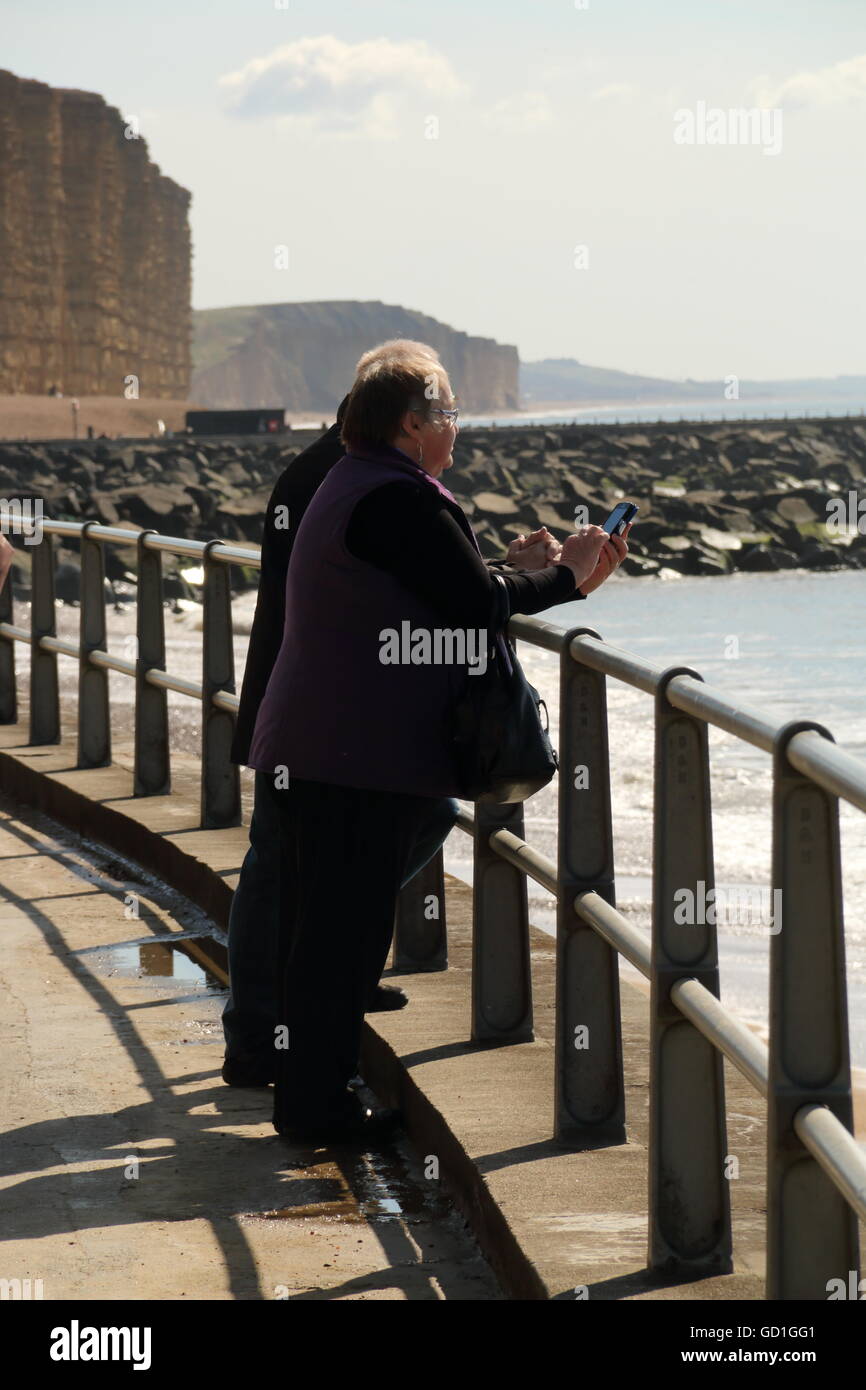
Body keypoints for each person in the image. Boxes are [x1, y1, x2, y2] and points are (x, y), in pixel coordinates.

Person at [246, 342, 630, 1142]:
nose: (457, 428)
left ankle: (311, 1096)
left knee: (332, 932)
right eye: (449, 414)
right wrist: (572, 576)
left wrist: (515, 568)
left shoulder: (364, 484)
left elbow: (434, 584)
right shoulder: (395, 497)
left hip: (329, 744)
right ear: (412, 424)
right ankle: (317, 1108)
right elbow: (467, 603)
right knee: (340, 938)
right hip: (350, 752)